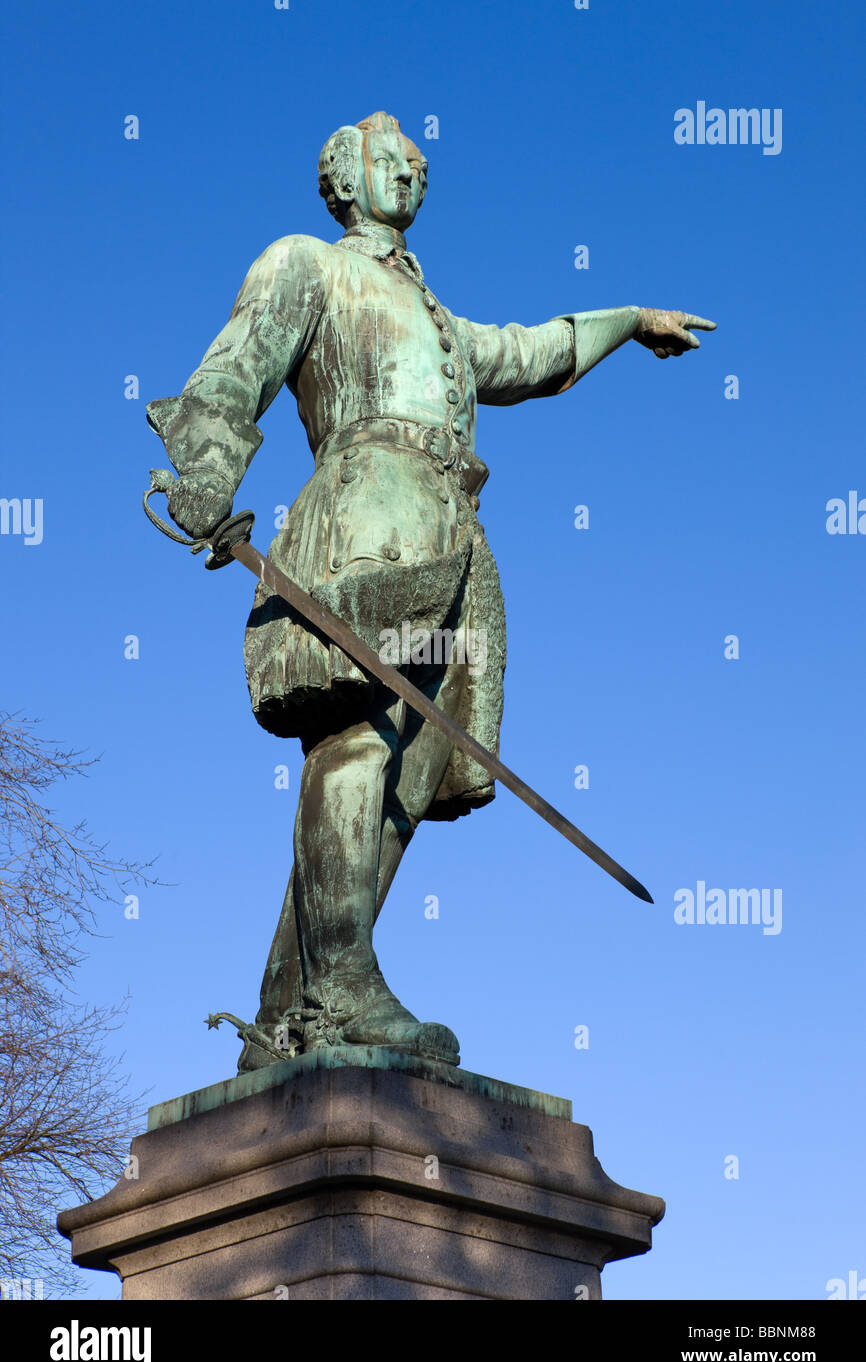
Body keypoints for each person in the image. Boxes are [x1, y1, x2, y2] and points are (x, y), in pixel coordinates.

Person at [147, 111, 715, 1070]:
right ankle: (343, 990)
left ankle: (295, 1003)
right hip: (363, 527)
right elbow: (233, 370)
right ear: (344, 177)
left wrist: (625, 321)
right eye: (389, 158)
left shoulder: (441, 317)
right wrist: (205, 476)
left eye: (417, 162)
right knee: (356, 736)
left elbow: (530, 358)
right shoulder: (308, 265)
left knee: (407, 775)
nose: (410, 170)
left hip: (451, 544)